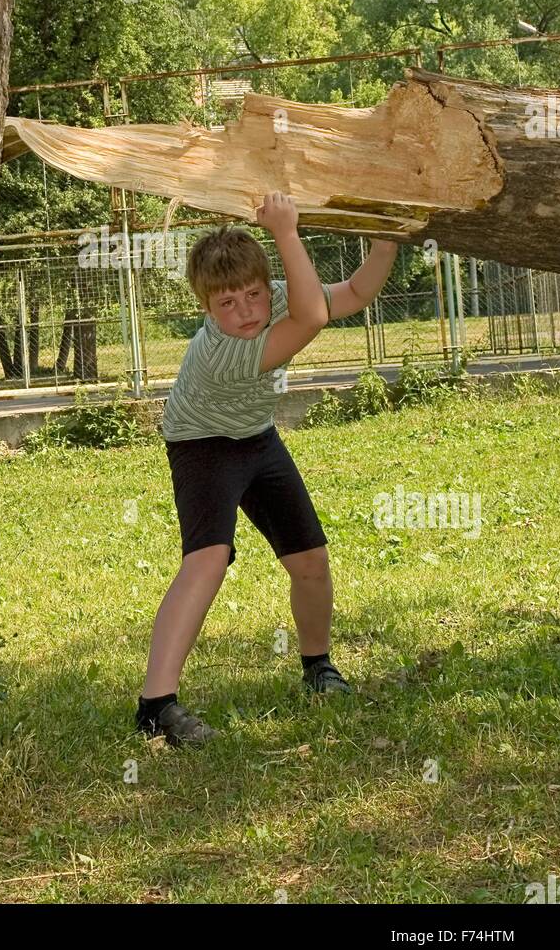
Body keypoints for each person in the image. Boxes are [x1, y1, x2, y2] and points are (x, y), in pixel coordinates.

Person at [135, 192, 398, 746]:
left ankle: (317, 668)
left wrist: (387, 239)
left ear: (266, 287)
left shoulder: (277, 298)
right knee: (207, 560)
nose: (247, 311)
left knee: (311, 560)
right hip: (202, 444)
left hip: (256, 437)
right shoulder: (221, 354)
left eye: (254, 294)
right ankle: (156, 706)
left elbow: (352, 294)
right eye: (226, 303)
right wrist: (286, 232)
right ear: (205, 308)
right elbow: (316, 316)